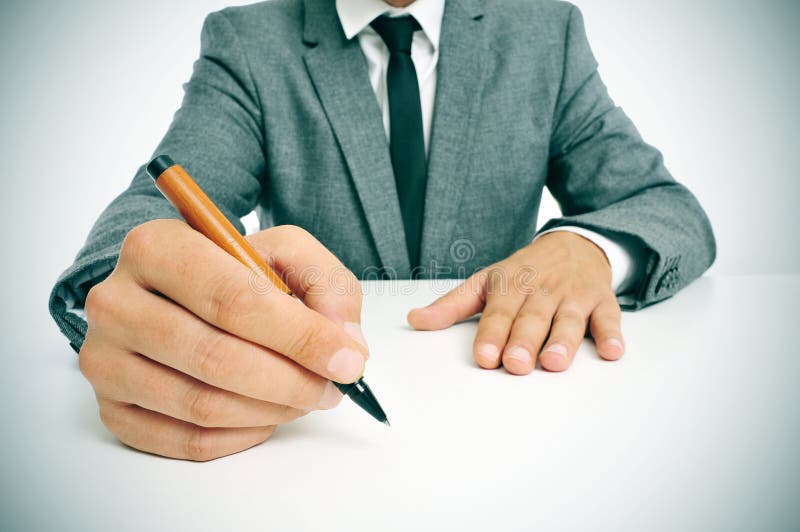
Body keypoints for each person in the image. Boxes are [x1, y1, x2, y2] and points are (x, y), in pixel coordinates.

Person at [49, 0, 716, 461]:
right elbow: (141, 227)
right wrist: (133, 300)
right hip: (315, 444)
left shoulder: (547, 31)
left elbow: (666, 208)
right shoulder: (249, 43)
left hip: (514, 422)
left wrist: (587, 248)